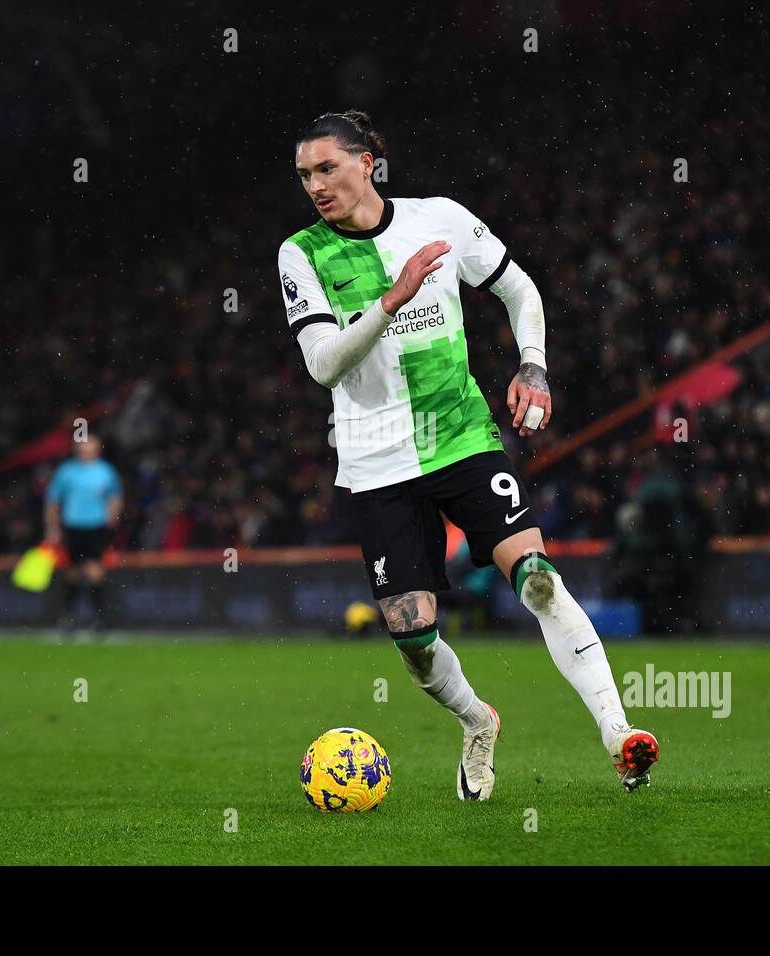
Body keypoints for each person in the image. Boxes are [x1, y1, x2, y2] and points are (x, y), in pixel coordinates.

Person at [277, 110, 659, 799]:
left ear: (368, 162)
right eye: (305, 174)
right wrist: (391, 301)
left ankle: (619, 734)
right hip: (376, 462)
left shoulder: (440, 218)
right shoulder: (301, 253)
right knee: (413, 639)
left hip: (462, 438)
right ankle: (478, 721)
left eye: (327, 168)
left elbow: (518, 287)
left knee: (537, 578)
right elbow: (323, 367)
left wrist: (534, 366)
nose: (315, 185)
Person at [44, 435, 122, 632]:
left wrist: (112, 517)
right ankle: (69, 617)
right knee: (72, 572)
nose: (86, 451)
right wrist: (52, 527)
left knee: (95, 570)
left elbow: (115, 497)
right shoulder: (67, 471)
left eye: (90, 447)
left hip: (96, 526)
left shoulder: (105, 471)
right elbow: (53, 500)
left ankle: (100, 618)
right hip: (72, 526)